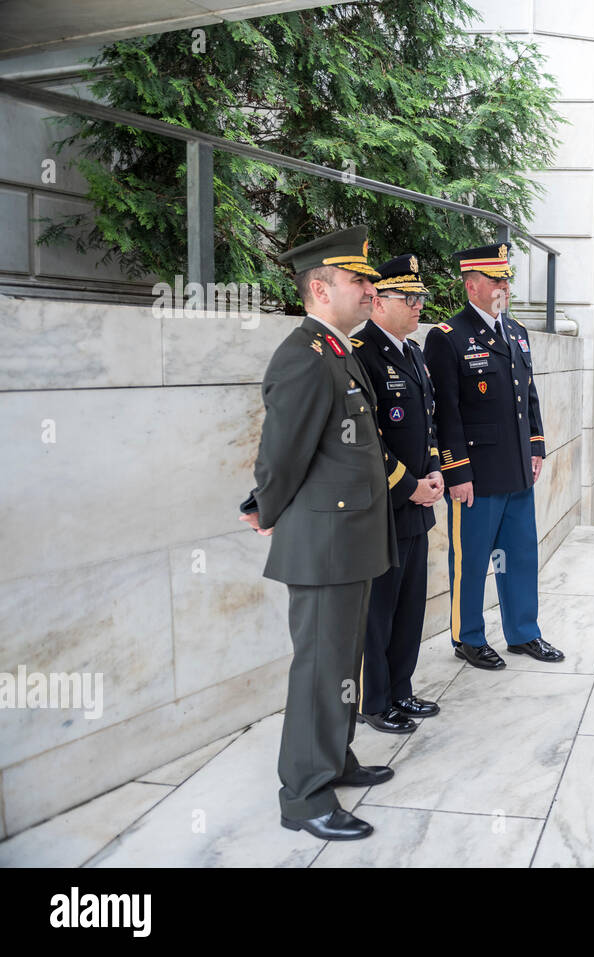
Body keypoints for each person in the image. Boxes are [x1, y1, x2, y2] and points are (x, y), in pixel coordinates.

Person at [238, 226, 398, 842]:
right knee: (319, 667)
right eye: (359, 281)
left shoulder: (338, 350)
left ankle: (334, 759)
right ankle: (304, 796)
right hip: (323, 542)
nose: (370, 289)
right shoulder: (303, 356)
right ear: (319, 288)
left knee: (341, 662)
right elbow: (281, 454)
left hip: (348, 539)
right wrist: (267, 508)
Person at [423, 241, 565, 669]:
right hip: (476, 476)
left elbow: (529, 395)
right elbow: (444, 412)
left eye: (507, 278)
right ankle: (467, 637)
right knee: (471, 559)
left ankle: (523, 633)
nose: (505, 285)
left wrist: (536, 445)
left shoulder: (516, 331)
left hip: (519, 469)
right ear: (472, 285)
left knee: (520, 555)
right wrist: (456, 470)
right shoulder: (447, 337)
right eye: (496, 278)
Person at [351, 254, 444, 733]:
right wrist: (410, 487)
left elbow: (427, 424)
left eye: (420, 297)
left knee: (410, 606)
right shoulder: (361, 352)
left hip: (417, 505)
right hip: (384, 507)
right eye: (408, 298)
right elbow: (368, 440)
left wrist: (434, 473)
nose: (417, 306)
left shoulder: (413, 352)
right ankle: (375, 701)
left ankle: (402, 690)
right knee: (379, 611)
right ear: (378, 301)